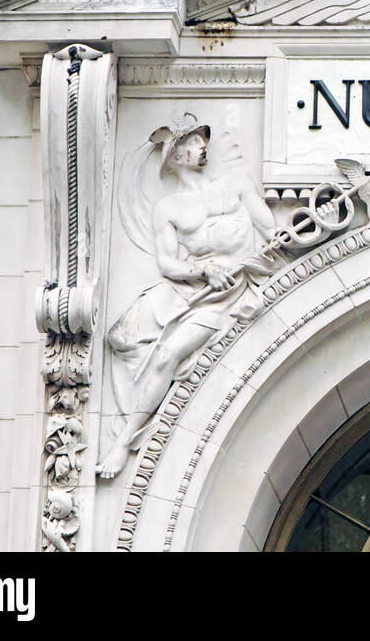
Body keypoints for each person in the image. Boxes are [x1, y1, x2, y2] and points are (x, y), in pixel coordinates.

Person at [96, 119, 279, 479]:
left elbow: (272, 232)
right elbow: (167, 263)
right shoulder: (168, 208)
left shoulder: (238, 184)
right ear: (176, 156)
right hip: (195, 290)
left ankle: (125, 440)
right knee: (133, 341)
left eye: (201, 141)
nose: (201, 147)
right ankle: (126, 436)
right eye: (193, 143)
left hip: (231, 292)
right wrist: (203, 270)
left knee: (170, 353)